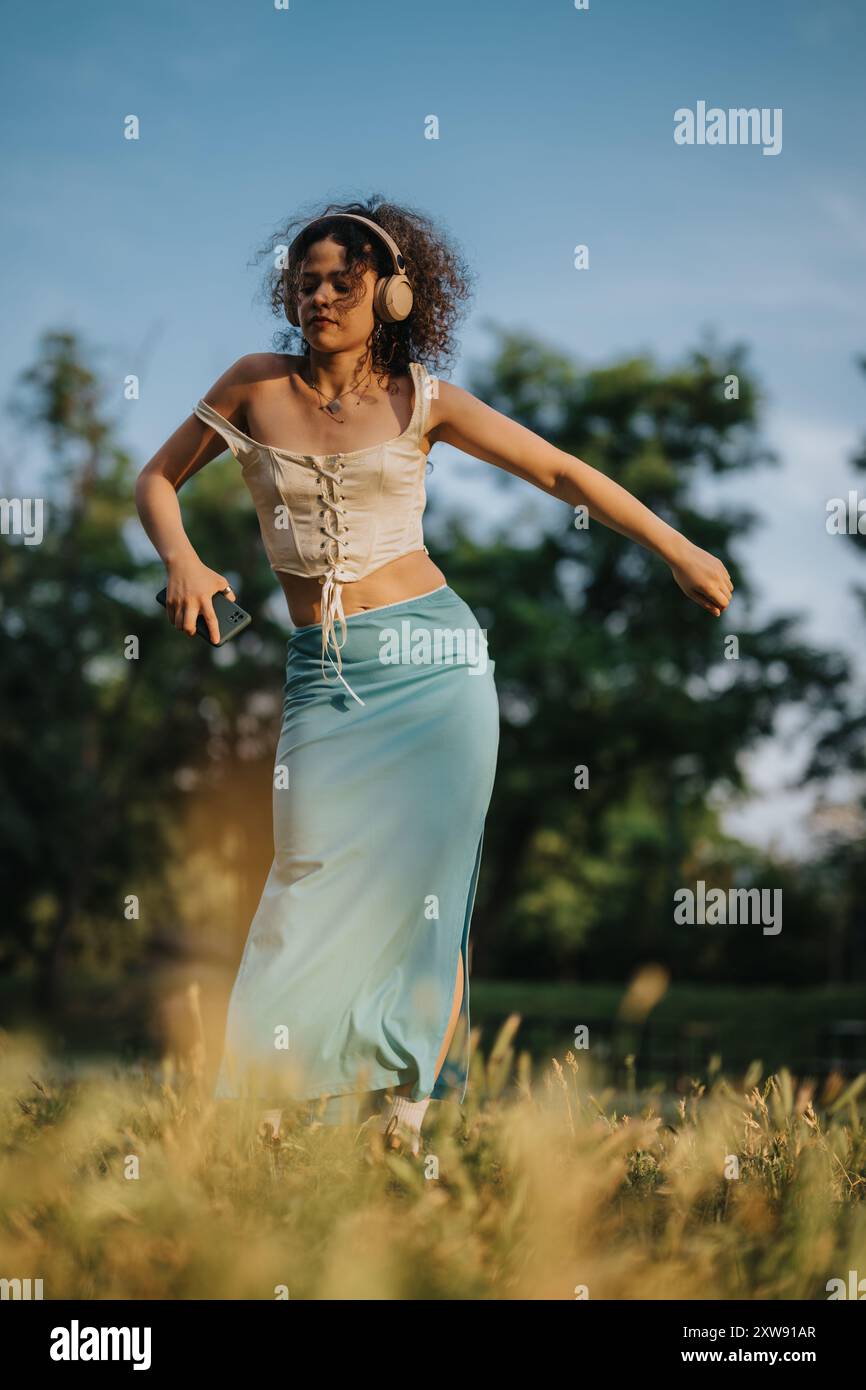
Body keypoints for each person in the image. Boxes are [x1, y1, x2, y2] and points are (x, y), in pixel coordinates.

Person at [134, 198, 732, 1158]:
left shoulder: (428, 398)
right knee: (306, 876)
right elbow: (156, 479)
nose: (321, 294)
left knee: (431, 892)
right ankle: (268, 1109)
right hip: (324, 674)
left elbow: (564, 474)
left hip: (439, 666)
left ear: (393, 290)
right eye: (306, 279)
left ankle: (400, 1126)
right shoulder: (253, 385)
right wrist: (185, 562)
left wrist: (677, 547)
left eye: (344, 278)